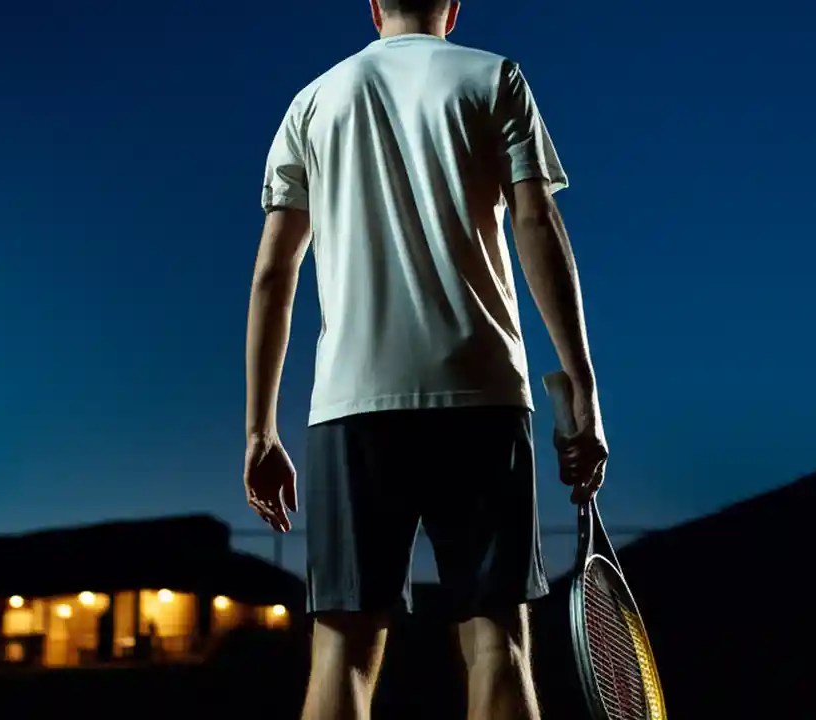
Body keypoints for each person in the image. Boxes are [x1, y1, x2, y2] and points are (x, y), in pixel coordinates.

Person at [242, 1, 608, 718]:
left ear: (373, 6)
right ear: (453, 7)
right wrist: (582, 387)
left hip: (351, 405)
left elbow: (272, 275)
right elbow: (537, 222)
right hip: (483, 395)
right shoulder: (495, 78)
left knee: (342, 651)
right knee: (498, 644)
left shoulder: (313, 102)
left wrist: (260, 430)